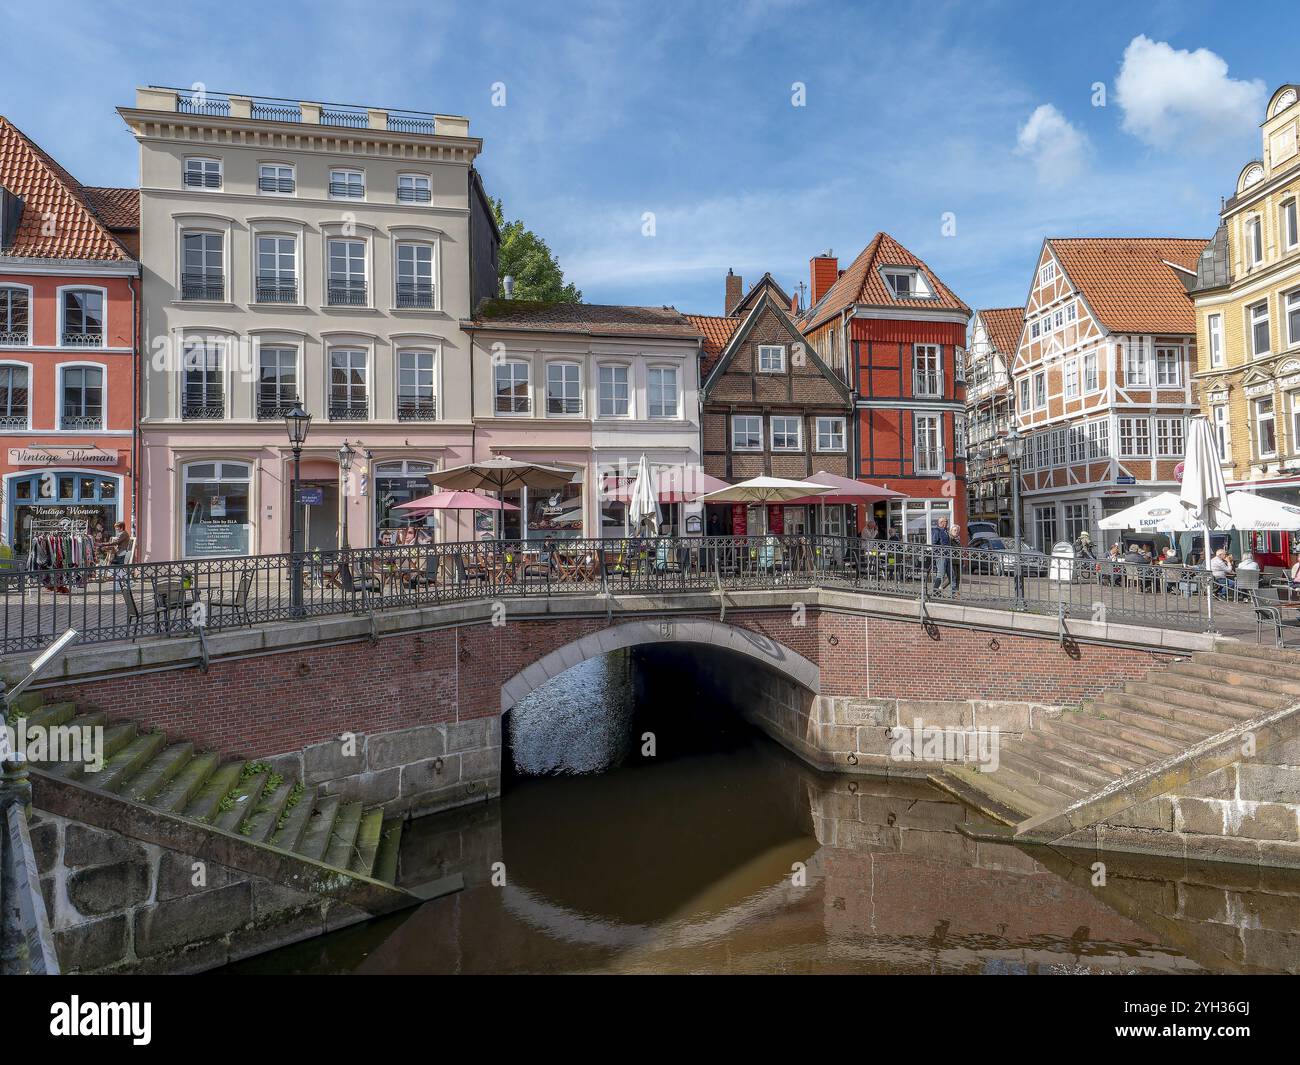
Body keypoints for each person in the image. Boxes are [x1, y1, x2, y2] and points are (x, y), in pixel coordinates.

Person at [932, 517, 953, 593]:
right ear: (941, 523)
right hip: (940, 556)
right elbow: (934, 544)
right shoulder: (937, 531)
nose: (947, 523)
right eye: (946, 521)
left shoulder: (945, 531)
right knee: (941, 575)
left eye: (947, 521)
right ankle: (935, 591)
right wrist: (940, 552)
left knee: (952, 576)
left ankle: (953, 594)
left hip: (947, 556)